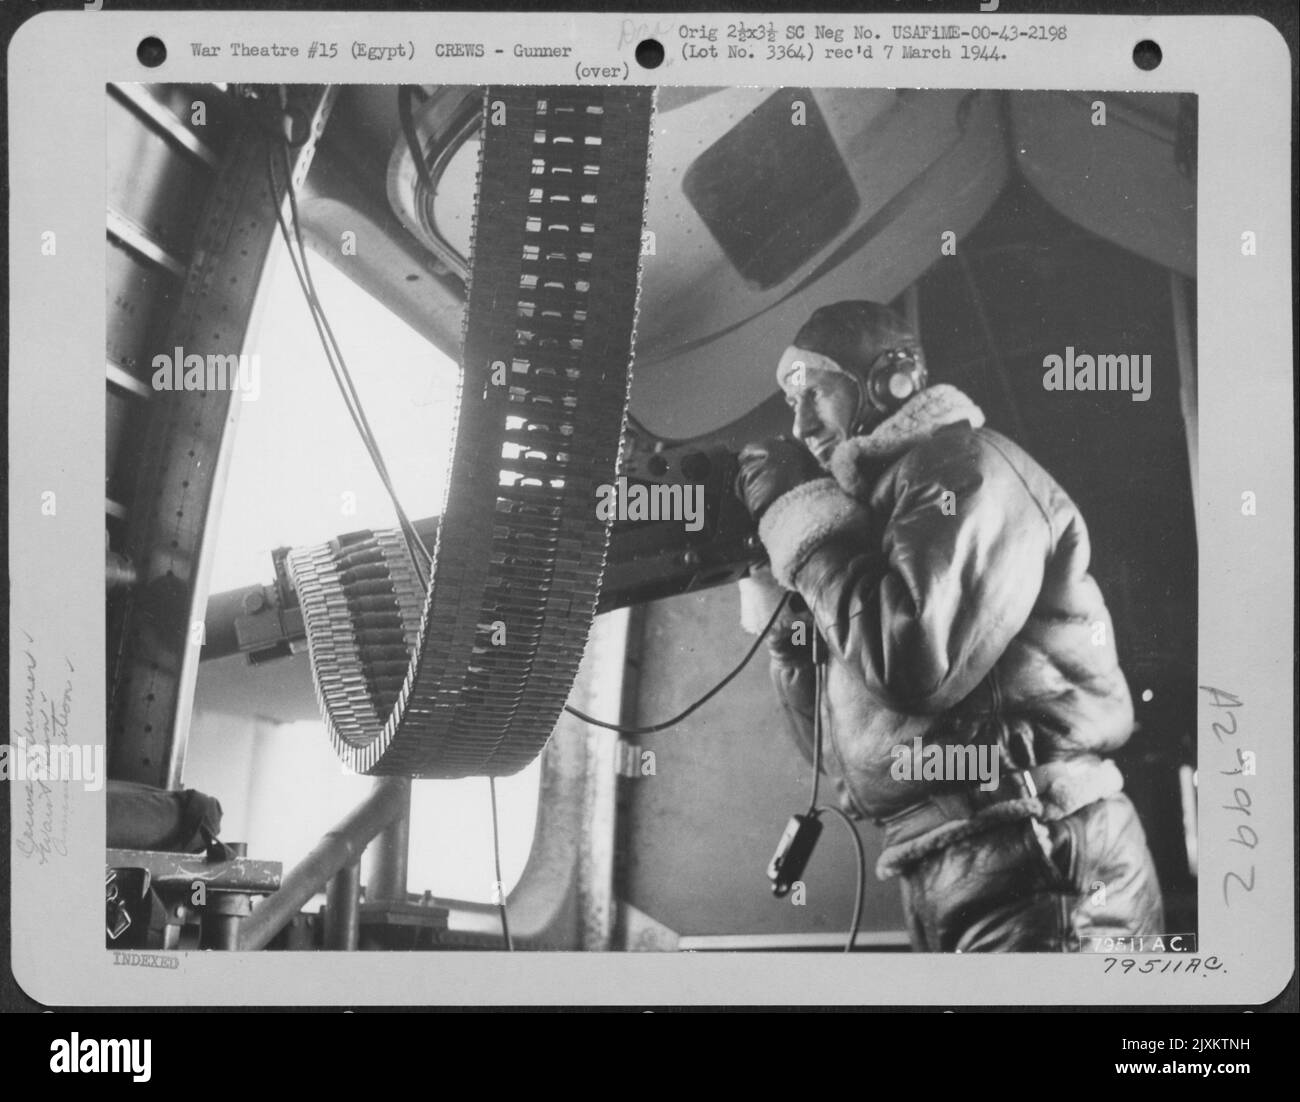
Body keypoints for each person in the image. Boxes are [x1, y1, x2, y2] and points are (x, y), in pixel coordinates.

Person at [735, 300, 1165, 951]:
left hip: (1034, 850)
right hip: (946, 868)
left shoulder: (964, 467)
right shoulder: (867, 528)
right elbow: (831, 749)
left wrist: (804, 530)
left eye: (813, 392)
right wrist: (779, 582)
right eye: (789, 401)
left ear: (887, 382)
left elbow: (915, 663)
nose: (798, 424)